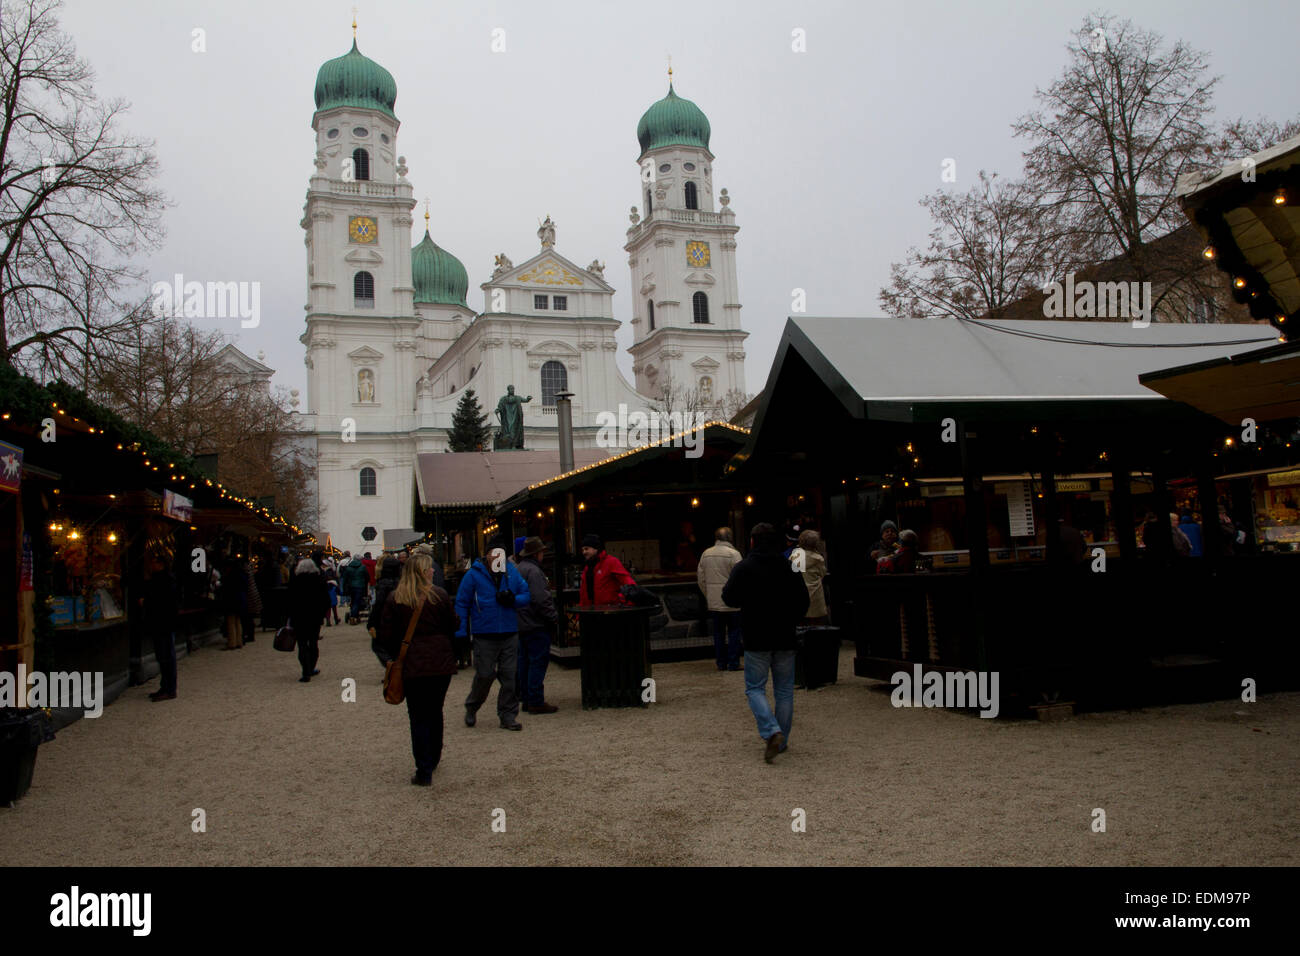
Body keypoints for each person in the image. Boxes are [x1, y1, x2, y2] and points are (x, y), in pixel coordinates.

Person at [722, 523, 810, 763]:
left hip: (756, 635)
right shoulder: (789, 566)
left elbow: (728, 597)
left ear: (752, 541)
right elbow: (804, 602)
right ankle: (782, 739)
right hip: (784, 634)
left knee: (754, 688)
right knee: (784, 690)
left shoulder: (744, 568)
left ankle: (771, 730)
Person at [379, 552, 459, 786]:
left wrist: (394, 655)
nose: (434, 571)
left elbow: (386, 634)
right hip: (439, 663)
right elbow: (453, 625)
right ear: (423, 573)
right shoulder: (439, 596)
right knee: (435, 711)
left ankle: (424, 767)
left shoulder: (396, 599)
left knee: (418, 716)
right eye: (430, 568)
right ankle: (433, 757)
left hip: (412, 663)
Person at [456, 535, 532, 731]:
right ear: (488, 555)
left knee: (509, 676)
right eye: (494, 553)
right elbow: (462, 603)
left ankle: (507, 715)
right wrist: (460, 631)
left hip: (508, 632)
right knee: (485, 674)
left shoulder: (511, 573)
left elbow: (526, 595)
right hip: (485, 633)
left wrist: (512, 599)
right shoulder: (473, 575)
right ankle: (472, 705)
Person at [514, 537, 560, 714]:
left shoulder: (518, 569)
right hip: (536, 623)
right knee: (537, 662)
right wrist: (553, 617)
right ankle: (535, 700)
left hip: (522, 623)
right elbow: (541, 599)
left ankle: (526, 698)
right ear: (537, 553)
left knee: (524, 662)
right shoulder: (534, 571)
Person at [697, 527, 743, 670]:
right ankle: (733, 662)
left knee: (718, 633)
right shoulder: (734, 554)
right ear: (730, 538)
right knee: (734, 632)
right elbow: (741, 579)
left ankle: (721, 663)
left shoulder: (706, 554)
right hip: (733, 603)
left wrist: (709, 594)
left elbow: (701, 579)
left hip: (714, 602)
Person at [140, 555, 179, 701]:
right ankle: (166, 687)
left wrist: (146, 602)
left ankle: (169, 688)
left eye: (154, 562)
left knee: (166, 656)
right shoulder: (164, 579)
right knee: (164, 656)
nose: (151, 564)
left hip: (163, 623)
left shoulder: (164, 580)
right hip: (162, 623)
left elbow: (161, 602)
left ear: (160, 564)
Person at [288, 557, 329, 682]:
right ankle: (311, 667)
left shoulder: (295, 582)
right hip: (314, 617)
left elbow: (289, 601)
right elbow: (326, 600)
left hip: (299, 617)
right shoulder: (319, 580)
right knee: (313, 643)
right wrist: (321, 613)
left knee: (302, 644)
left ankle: (306, 671)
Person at [578, 534, 635, 605]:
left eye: (586, 549)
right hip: (591, 611)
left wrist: (626, 600)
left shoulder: (611, 562)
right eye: (582, 550)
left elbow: (628, 582)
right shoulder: (587, 568)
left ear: (596, 548)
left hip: (610, 611)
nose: (584, 552)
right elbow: (583, 593)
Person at [368, 556, 402, 665]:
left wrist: (372, 622)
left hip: (385, 620)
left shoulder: (383, 584)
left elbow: (379, 605)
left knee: (378, 646)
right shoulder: (401, 583)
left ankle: (392, 667)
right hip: (398, 619)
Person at [793, 529, 830, 625]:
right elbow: (823, 573)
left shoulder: (796, 555)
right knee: (816, 624)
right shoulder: (818, 558)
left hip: (799, 593)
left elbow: (793, 574)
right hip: (815, 596)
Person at [219, 555, 247, 650]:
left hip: (232, 600)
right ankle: (239, 641)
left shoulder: (230, 575)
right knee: (238, 621)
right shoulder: (242, 573)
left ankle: (232, 643)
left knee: (231, 621)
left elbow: (226, 588)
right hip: (240, 599)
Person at [340, 551, 368, 623]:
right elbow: (367, 577)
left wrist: (344, 588)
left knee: (353, 601)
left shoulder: (348, 568)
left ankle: (354, 614)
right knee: (357, 601)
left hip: (351, 586)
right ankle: (354, 616)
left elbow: (345, 579)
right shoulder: (363, 567)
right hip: (360, 586)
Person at [242, 558, 261, 643]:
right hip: (252, 596)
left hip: (248, 597)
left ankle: (249, 634)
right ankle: (250, 634)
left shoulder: (245, 574)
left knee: (248, 617)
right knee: (249, 617)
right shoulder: (250, 573)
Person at [322, 556, 341, 625]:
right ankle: (335, 619)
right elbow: (336, 580)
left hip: (326, 589)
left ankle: (328, 620)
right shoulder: (331, 571)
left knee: (328, 607)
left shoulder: (322, 572)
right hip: (331, 589)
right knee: (333, 606)